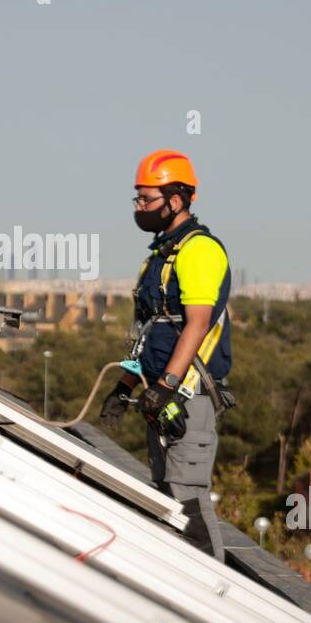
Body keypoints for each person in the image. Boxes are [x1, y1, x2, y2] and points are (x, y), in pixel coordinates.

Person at [100, 150, 233, 562]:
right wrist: (124, 388)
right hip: (162, 398)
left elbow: (197, 323)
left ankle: (217, 597)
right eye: (137, 200)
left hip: (187, 399)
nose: (140, 208)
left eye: (147, 200)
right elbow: (146, 334)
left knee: (187, 500)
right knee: (166, 498)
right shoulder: (159, 257)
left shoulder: (199, 250)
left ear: (176, 199)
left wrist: (168, 386)